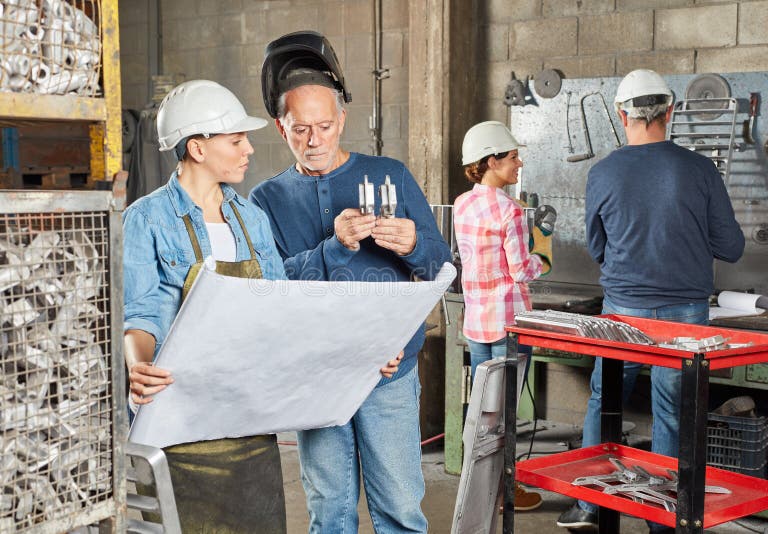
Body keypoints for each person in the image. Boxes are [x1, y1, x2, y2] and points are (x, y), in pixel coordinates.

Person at [250, 31, 451, 533]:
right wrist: (332, 248)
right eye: (300, 129)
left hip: (388, 372)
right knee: (330, 512)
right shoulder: (265, 200)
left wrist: (414, 245)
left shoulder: (391, 175)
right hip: (317, 376)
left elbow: (441, 270)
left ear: (342, 119)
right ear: (281, 127)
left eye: (324, 125)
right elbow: (269, 288)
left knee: (400, 510)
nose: (314, 140)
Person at [556, 69, 745, 534]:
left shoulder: (602, 172)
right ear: (671, 111)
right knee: (673, 411)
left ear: (623, 116)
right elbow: (733, 247)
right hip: (686, 314)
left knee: (606, 399)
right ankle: (664, 518)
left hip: (622, 310)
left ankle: (589, 503)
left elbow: (596, 246)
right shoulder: (701, 170)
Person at [123, 79, 289, 533]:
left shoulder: (252, 219)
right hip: (182, 422)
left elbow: (282, 309)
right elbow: (141, 314)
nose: (248, 149)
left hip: (249, 418)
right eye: (236, 139)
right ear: (197, 148)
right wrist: (138, 365)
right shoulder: (147, 219)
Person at [453, 120, 554, 513]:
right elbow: (521, 270)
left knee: (483, 412)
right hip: (510, 325)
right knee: (506, 415)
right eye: (512, 157)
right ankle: (502, 494)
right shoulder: (511, 210)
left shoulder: (463, 204)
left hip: (478, 322)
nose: (518, 163)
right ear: (491, 161)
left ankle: (477, 491)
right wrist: (543, 247)